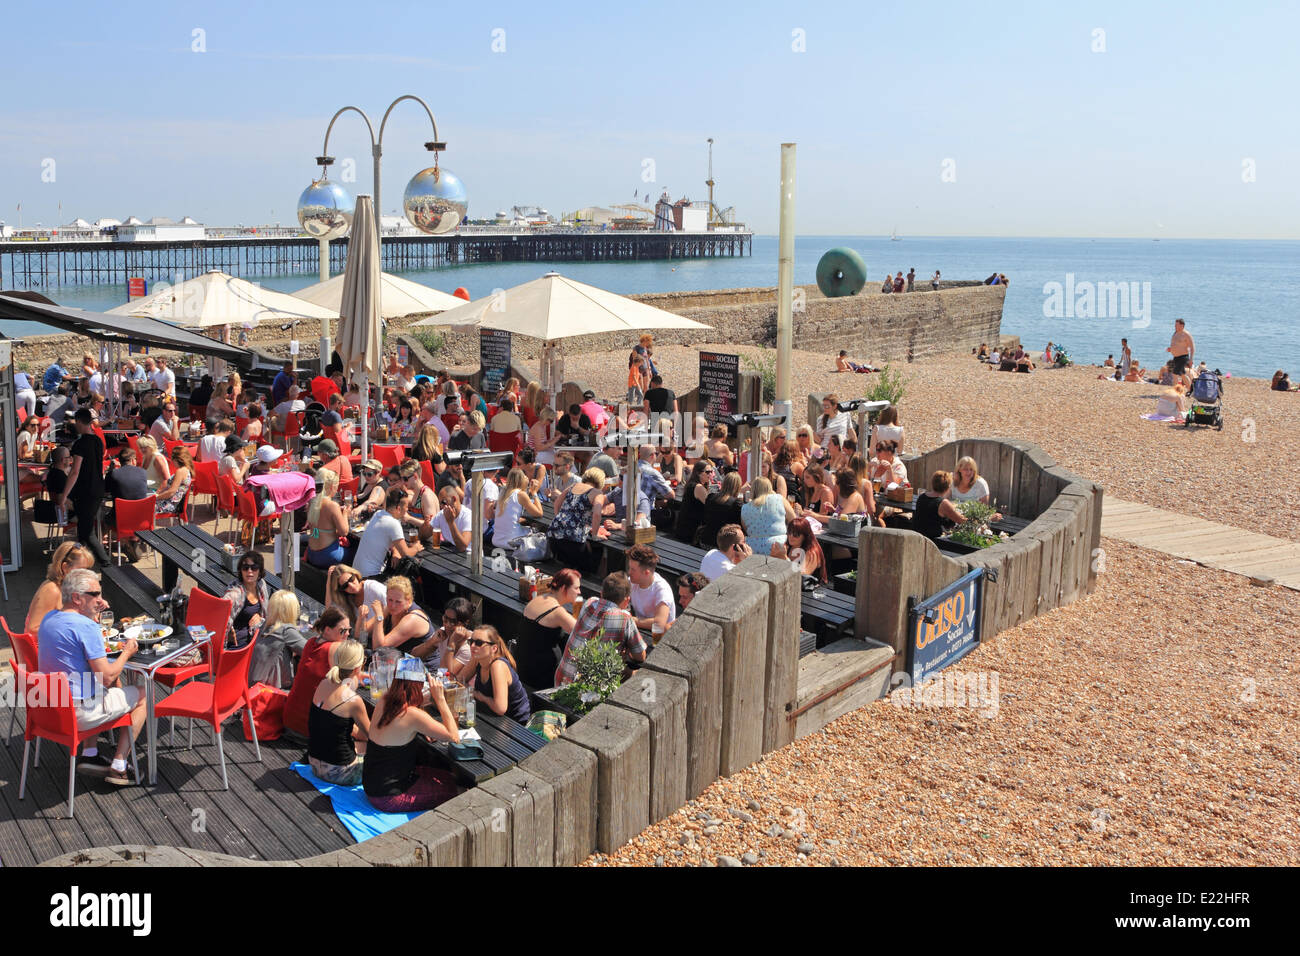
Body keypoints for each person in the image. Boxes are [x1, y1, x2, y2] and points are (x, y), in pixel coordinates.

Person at [37, 568, 146, 785]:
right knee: (143, 694)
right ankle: (119, 764)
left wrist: (92, 617)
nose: (101, 600)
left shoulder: (49, 618)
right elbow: (106, 676)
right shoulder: (86, 628)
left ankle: (90, 754)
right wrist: (127, 652)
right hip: (77, 713)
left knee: (92, 686)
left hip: (48, 709)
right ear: (77, 598)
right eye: (95, 594)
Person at [362, 657, 460, 812]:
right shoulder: (412, 715)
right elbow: (454, 736)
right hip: (389, 797)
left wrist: (422, 727)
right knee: (455, 791)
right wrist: (440, 699)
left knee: (448, 777)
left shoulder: (385, 699)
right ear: (419, 684)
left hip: (372, 784)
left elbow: (406, 722)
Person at [555, 572, 647, 686]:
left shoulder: (589, 602)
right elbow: (640, 656)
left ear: (601, 593)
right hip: (588, 693)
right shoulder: (624, 618)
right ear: (627, 600)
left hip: (561, 682)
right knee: (639, 675)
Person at [307, 639, 370, 785]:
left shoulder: (323, 684)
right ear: (358, 667)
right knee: (379, 752)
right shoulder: (354, 701)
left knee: (357, 742)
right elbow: (373, 736)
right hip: (341, 773)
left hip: (315, 765)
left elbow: (333, 722)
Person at [285, 607, 353, 738]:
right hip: (308, 730)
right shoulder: (336, 648)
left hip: (290, 722)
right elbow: (350, 681)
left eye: (349, 630)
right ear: (327, 629)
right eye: (343, 631)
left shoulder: (311, 642)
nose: (347, 634)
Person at [58, 408, 110, 563]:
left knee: (87, 532)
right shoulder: (97, 440)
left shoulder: (80, 444)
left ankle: (105, 564)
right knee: (84, 530)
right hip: (97, 487)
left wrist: (64, 496)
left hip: (85, 491)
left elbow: (75, 471)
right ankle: (79, 563)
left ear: (80, 422)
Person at [518, 570, 580, 689]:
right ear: (563, 588)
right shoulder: (558, 612)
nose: (579, 592)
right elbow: (582, 633)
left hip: (523, 667)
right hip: (543, 675)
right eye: (576, 588)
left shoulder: (538, 598)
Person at [547, 467, 609, 574]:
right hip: (573, 539)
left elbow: (557, 502)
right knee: (591, 562)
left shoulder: (573, 486)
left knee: (564, 566)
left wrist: (561, 521)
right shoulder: (597, 493)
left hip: (554, 533)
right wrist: (594, 534)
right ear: (601, 481)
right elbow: (597, 514)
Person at [352, 487, 423, 577]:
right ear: (398, 508)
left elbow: (387, 539)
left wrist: (395, 551)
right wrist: (416, 547)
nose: (407, 509)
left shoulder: (378, 514)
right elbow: (406, 555)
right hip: (370, 577)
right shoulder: (393, 523)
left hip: (357, 573)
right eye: (406, 506)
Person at [25, 542, 94, 635]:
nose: (86, 575)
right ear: (65, 567)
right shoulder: (52, 590)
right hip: (44, 646)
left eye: (88, 570)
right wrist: (70, 634)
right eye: (81, 570)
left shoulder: (69, 586)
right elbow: (33, 629)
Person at [466, 625, 531, 724]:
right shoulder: (476, 658)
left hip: (516, 723)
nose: (472, 646)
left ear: (494, 648)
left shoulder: (498, 666)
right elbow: (459, 680)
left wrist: (480, 696)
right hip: (491, 716)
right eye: (471, 641)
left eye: (479, 643)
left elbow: (500, 708)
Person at [253, 589, 309, 688]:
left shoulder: (262, 626)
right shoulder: (286, 630)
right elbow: (311, 650)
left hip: (254, 684)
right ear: (291, 610)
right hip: (274, 690)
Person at [371, 575, 437, 655]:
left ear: (408, 601)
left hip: (423, 665)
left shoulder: (413, 619)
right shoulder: (391, 609)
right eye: (390, 600)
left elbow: (378, 648)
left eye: (398, 602)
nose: (393, 605)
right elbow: (364, 632)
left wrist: (379, 617)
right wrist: (362, 616)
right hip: (399, 660)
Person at [325, 564, 387, 644]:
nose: (351, 585)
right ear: (342, 590)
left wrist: (367, 626)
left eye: (351, 579)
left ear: (355, 575)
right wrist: (329, 582)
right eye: (345, 586)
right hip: (365, 640)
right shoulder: (348, 599)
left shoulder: (372, 586)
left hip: (382, 637)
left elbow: (391, 605)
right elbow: (329, 609)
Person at [305, 469, 351, 567]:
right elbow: (344, 532)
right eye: (337, 487)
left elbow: (320, 531)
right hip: (328, 556)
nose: (337, 490)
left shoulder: (311, 502)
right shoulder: (332, 505)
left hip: (311, 553)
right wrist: (345, 513)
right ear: (331, 487)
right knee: (355, 551)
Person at [741, 476, 796, 558]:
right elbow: (794, 520)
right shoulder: (779, 499)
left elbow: (746, 529)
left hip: (753, 549)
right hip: (778, 546)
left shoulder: (745, 507)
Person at [627, 544, 677, 633]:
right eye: (629, 568)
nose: (629, 572)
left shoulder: (662, 590)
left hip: (660, 637)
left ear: (646, 573)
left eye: (633, 570)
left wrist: (631, 619)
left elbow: (659, 624)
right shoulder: (631, 582)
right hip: (642, 631)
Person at [492, 467, 545, 550]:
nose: (527, 478)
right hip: (512, 541)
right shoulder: (520, 494)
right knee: (538, 529)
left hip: (496, 539)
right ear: (521, 479)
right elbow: (539, 513)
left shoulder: (503, 491)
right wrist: (534, 492)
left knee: (526, 525)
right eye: (525, 476)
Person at [912, 470, 969, 542]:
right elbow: (961, 520)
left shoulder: (922, 497)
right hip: (933, 542)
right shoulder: (943, 503)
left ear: (933, 483)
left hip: (917, 537)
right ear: (948, 487)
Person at [701, 471, 744, 552]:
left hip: (705, 541)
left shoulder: (711, 497)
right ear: (738, 487)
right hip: (723, 547)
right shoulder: (736, 503)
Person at [774, 516, 827, 582]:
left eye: (796, 534)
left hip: (810, 588)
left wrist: (785, 559)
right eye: (789, 532)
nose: (791, 536)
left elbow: (802, 576)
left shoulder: (811, 552)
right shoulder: (788, 546)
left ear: (805, 536)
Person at [674, 460, 714, 545]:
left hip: (683, 529)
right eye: (707, 472)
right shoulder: (698, 487)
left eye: (711, 471)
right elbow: (711, 506)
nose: (710, 474)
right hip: (691, 532)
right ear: (698, 473)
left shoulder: (691, 484)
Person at [154, 444, 193, 517]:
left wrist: (156, 497)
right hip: (174, 503)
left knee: (145, 507)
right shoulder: (187, 469)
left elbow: (171, 492)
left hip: (170, 505)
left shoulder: (180, 471)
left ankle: (144, 527)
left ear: (176, 459)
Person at [433, 484, 473, 552]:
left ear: (454, 499)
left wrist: (451, 523)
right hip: (452, 554)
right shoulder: (442, 514)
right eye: (440, 504)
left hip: (469, 556)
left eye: (444, 502)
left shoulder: (468, 515)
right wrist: (426, 524)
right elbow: (424, 535)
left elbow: (463, 547)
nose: (442, 506)